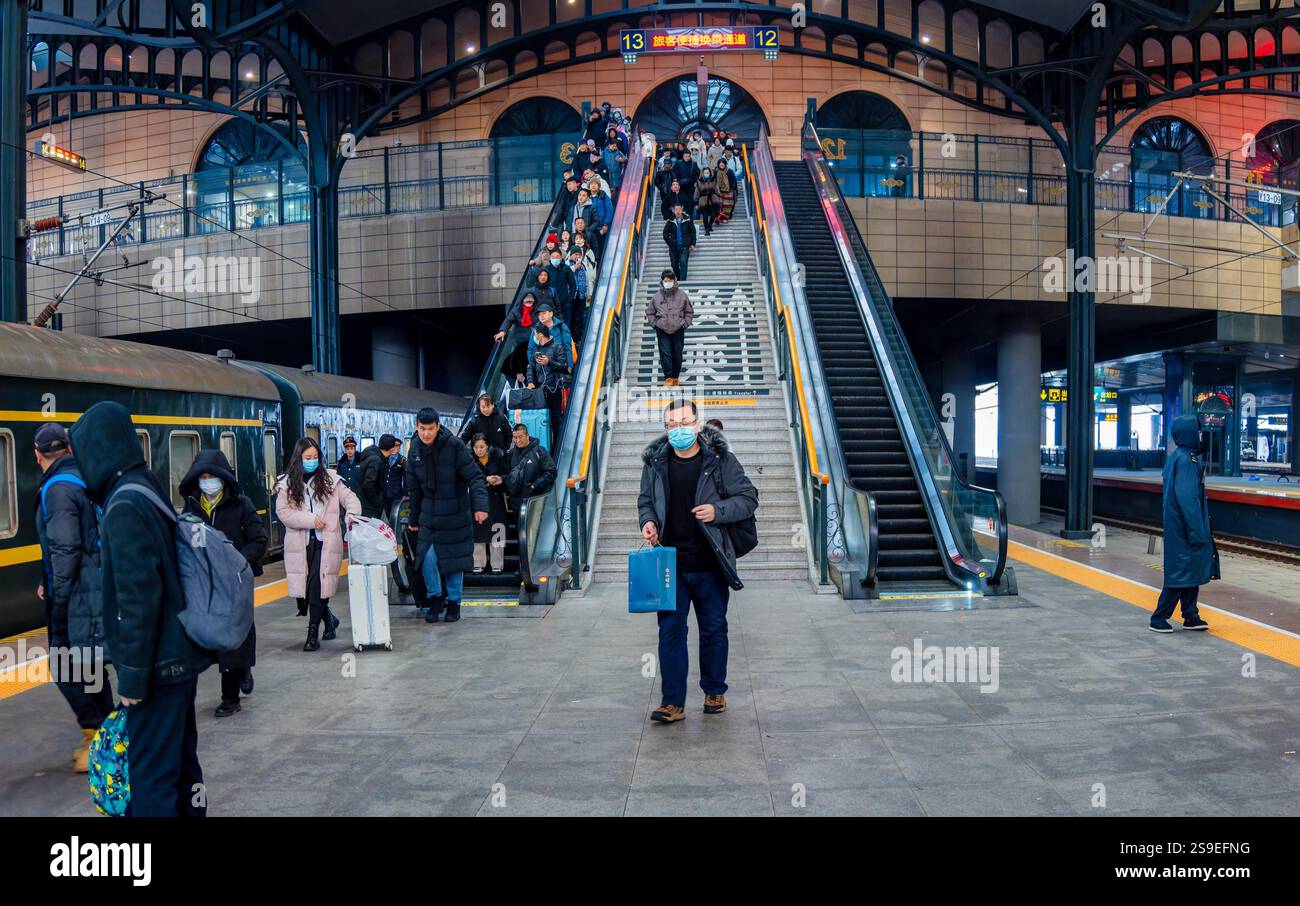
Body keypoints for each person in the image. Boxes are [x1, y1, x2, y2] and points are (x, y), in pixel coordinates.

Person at [68, 401, 212, 816]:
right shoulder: (144, 488)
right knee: (183, 770)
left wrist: (130, 681)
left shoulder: (123, 506)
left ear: (100, 450)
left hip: (157, 670)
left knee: (150, 778)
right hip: (177, 662)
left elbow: (137, 599)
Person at [639, 400, 759, 723]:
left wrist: (717, 512)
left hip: (710, 562)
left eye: (684, 422)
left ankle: (714, 690)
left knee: (714, 629)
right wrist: (647, 522)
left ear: (697, 424)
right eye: (671, 425)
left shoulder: (720, 461)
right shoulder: (655, 463)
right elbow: (646, 501)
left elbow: (749, 498)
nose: (678, 430)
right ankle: (672, 702)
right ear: (666, 429)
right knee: (670, 632)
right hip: (670, 565)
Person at [32, 423, 112, 772]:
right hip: (94, 587)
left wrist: (58, 594)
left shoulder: (58, 489)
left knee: (63, 668)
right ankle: (110, 736)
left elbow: (65, 546)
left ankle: (96, 737)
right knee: (90, 666)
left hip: (76, 594)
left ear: (38, 454)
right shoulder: (83, 478)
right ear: (67, 449)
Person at [179, 450, 267, 718]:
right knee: (211, 635)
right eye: (203, 477)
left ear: (223, 478)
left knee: (234, 636)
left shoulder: (241, 504)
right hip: (205, 584)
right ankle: (240, 669)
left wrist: (238, 564)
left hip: (235, 583)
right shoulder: (192, 507)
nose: (207, 482)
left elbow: (259, 539)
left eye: (212, 477)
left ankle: (230, 698)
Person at [275, 437, 361, 651]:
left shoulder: (332, 480)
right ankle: (329, 619)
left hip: (326, 543)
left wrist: (351, 515)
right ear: (299, 459)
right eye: (307, 458)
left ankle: (312, 633)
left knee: (316, 586)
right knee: (305, 591)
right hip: (299, 544)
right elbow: (283, 513)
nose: (312, 461)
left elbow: (352, 500)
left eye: (315, 457)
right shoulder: (286, 484)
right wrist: (310, 520)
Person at [407, 408, 489, 624]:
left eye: (430, 429)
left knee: (454, 561)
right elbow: (414, 489)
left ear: (438, 427)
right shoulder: (414, 449)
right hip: (429, 517)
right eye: (422, 429)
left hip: (455, 516)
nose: (426, 434)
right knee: (426, 559)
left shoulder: (454, 446)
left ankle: (454, 603)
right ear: (417, 427)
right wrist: (413, 519)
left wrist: (480, 506)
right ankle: (435, 599)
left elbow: (475, 478)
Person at [1149, 414, 1214, 633]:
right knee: (1180, 573)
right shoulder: (1187, 460)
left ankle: (1191, 615)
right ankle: (1159, 617)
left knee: (1189, 570)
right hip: (1185, 529)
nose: (1200, 435)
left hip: (1179, 527)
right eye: (1196, 431)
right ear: (1188, 434)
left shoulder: (1181, 456)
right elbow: (1188, 499)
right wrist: (1197, 531)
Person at [526, 323, 574, 444]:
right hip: (540, 390)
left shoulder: (558, 347)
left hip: (555, 389)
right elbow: (531, 367)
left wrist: (549, 362)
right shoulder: (536, 349)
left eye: (535, 333)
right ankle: (546, 446)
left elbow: (565, 368)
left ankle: (558, 447)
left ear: (540, 334)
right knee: (541, 420)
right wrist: (530, 381)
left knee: (556, 420)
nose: (534, 336)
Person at [469, 434, 509, 575]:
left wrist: (499, 479)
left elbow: (506, 475)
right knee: (478, 533)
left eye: (482, 447)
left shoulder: (497, 459)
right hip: (477, 501)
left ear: (488, 446)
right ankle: (478, 563)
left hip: (496, 498)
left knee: (497, 530)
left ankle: (497, 564)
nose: (479, 450)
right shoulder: (470, 461)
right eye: (476, 447)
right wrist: (485, 479)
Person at [646, 268, 693, 388]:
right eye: (665, 280)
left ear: (674, 280)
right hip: (662, 330)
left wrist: (685, 324)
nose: (667, 282)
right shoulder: (656, 297)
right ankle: (668, 378)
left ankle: (676, 378)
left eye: (669, 280)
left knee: (677, 354)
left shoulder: (682, 295)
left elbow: (689, 311)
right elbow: (650, 312)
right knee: (665, 354)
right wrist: (655, 324)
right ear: (662, 281)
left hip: (678, 329)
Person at [504, 422, 557, 512]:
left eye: (520, 437)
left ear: (527, 435)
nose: (517, 440)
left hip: (535, 502)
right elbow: (508, 473)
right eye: (515, 437)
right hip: (516, 503)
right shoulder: (511, 453)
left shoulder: (540, 451)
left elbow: (552, 472)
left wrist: (535, 485)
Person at [355, 434, 401, 519]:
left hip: (363, 503)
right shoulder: (377, 461)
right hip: (369, 507)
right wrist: (377, 502)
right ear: (391, 449)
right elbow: (368, 484)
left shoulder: (369, 454)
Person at [662, 203, 697, 282]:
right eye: (676, 210)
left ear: (682, 209)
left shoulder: (687, 219)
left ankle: (683, 281)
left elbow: (693, 232)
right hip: (673, 247)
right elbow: (665, 233)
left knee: (683, 263)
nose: (678, 211)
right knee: (674, 265)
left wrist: (692, 244)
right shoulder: (670, 220)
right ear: (673, 210)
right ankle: (678, 279)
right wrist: (670, 242)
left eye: (679, 209)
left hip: (684, 246)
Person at [696, 167, 721, 236]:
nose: (706, 174)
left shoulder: (714, 180)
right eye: (705, 173)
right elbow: (697, 192)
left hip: (712, 200)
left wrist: (717, 194)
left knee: (713, 215)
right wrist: (696, 202)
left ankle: (710, 225)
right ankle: (706, 229)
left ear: (710, 173)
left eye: (708, 173)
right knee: (705, 216)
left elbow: (717, 190)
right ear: (703, 173)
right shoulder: (699, 181)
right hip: (703, 200)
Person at [717, 155, 738, 223]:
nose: (721, 165)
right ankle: (719, 218)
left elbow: (734, 182)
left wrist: (730, 188)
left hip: (728, 192)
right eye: (720, 164)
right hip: (719, 191)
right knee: (719, 205)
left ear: (725, 164)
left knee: (727, 205)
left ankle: (726, 217)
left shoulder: (730, 171)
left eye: (723, 164)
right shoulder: (716, 172)